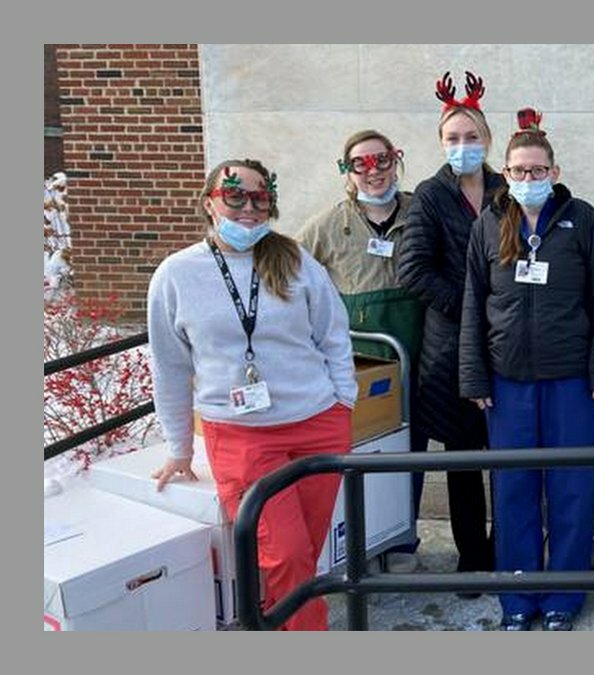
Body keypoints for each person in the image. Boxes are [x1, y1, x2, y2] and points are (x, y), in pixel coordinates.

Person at [148, 159, 357, 631]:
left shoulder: (297, 260)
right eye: (234, 196)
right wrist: (180, 447)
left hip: (319, 423)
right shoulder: (176, 274)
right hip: (243, 437)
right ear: (209, 202)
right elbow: (170, 366)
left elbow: (333, 334)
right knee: (284, 555)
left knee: (303, 554)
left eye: (259, 198)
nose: (248, 207)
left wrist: (344, 400)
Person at [460, 108, 594, 631]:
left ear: (553, 172)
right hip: (508, 385)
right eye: (518, 171)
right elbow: (472, 305)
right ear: (504, 174)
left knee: (572, 491)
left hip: (572, 381)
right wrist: (476, 378)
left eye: (537, 170)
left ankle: (563, 598)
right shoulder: (489, 224)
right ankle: (517, 596)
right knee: (513, 492)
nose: (527, 179)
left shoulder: (584, 220)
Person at [295, 130, 427, 574]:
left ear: (396, 161)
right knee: (365, 453)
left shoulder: (420, 213)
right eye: (361, 164)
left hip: (418, 354)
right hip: (361, 365)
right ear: (347, 171)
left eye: (382, 161)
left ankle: (403, 538)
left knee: (412, 448)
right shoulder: (329, 226)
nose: (373, 172)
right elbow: (291, 272)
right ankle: (363, 543)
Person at [396, 71, 499, 586]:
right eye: (454, 139)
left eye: (472, 137)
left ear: (488, 139)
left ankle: (507, 548)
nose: (464, 146)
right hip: (452, 349)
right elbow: (413, 269)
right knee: (461, 459)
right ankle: (472, 557)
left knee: (507, 454)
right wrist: (470, 308)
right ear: (441, 143)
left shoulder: (508, 190)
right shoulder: (430, 198)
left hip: (506, 346)